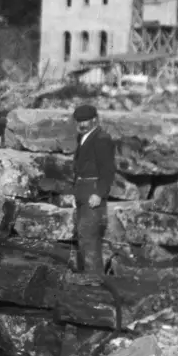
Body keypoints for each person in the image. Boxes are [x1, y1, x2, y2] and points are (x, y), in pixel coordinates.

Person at [72, 103, 116, 277]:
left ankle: (94, 279)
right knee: (83, 235)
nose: (82, 124)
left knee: (89, 235)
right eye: (79, 121)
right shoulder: (82, 137)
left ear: (95, 120)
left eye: (86, 121)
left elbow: (108, 170)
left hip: (93, 190)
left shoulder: (101, 139)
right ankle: (88, 275)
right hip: (82, 190)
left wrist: (99, 194)